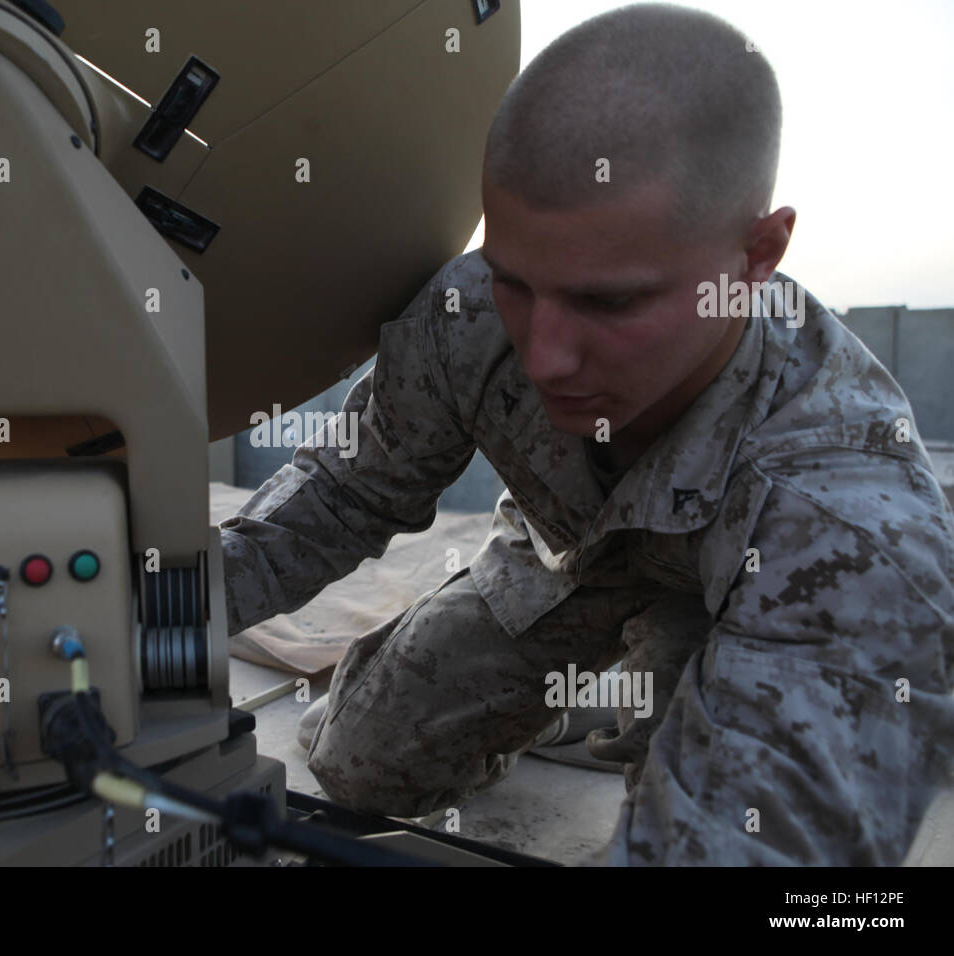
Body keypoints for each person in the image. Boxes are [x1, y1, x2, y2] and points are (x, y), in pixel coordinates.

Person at [219, 2, 954, 864]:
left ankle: (658, 689)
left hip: (728, 598)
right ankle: (577, 702)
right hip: (564, 557)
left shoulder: (846, 515)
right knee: (357, 765)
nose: (544, 356)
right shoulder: (466, 316)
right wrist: (159, 613)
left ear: (758, 255)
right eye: (514, 282)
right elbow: (344, 495)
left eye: (609, 301)